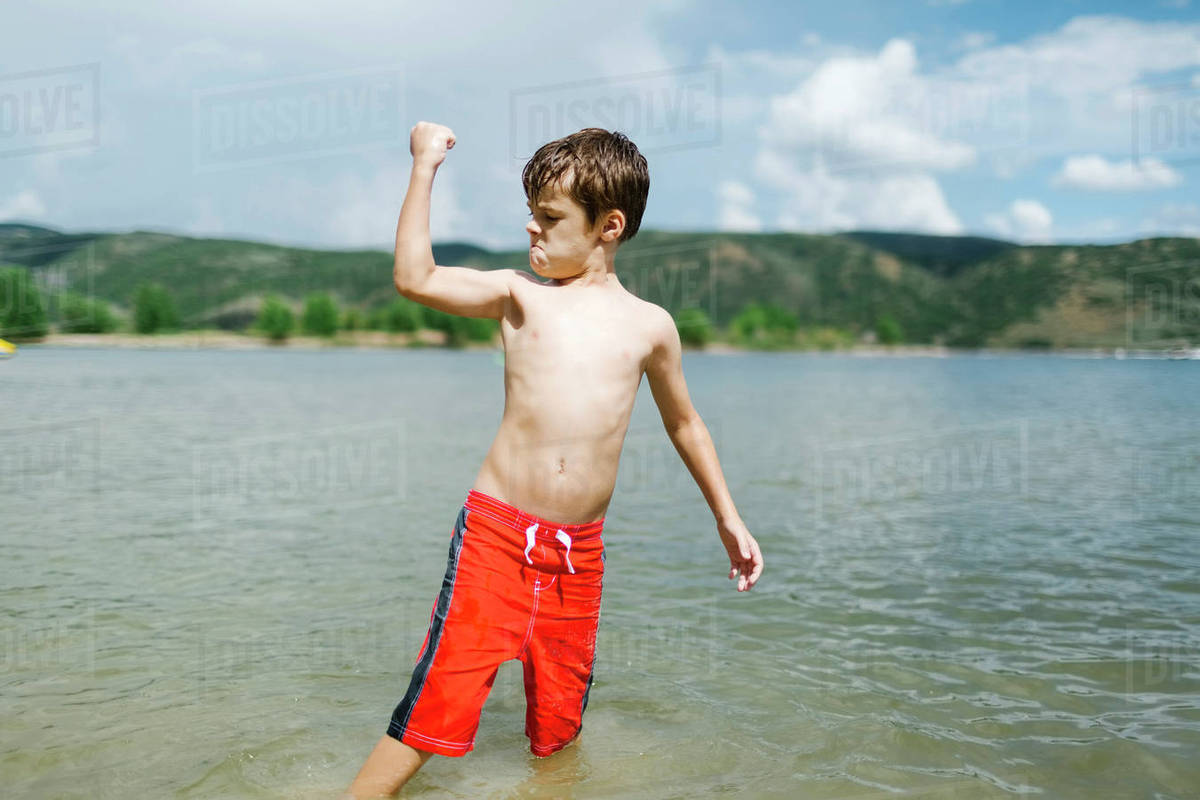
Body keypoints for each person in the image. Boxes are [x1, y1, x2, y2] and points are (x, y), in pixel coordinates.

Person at [343, 121, 763, 798]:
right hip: (497, 538)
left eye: (549, 217)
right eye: (531, 215)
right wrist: (424, 166)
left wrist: (728, 517)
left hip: (578, 558)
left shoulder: (650, 326)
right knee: (436, 704)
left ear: (610, 227)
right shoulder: (519, 295)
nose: (531, 229)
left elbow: (685, 423)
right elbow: (413, 278)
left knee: (558, 732)